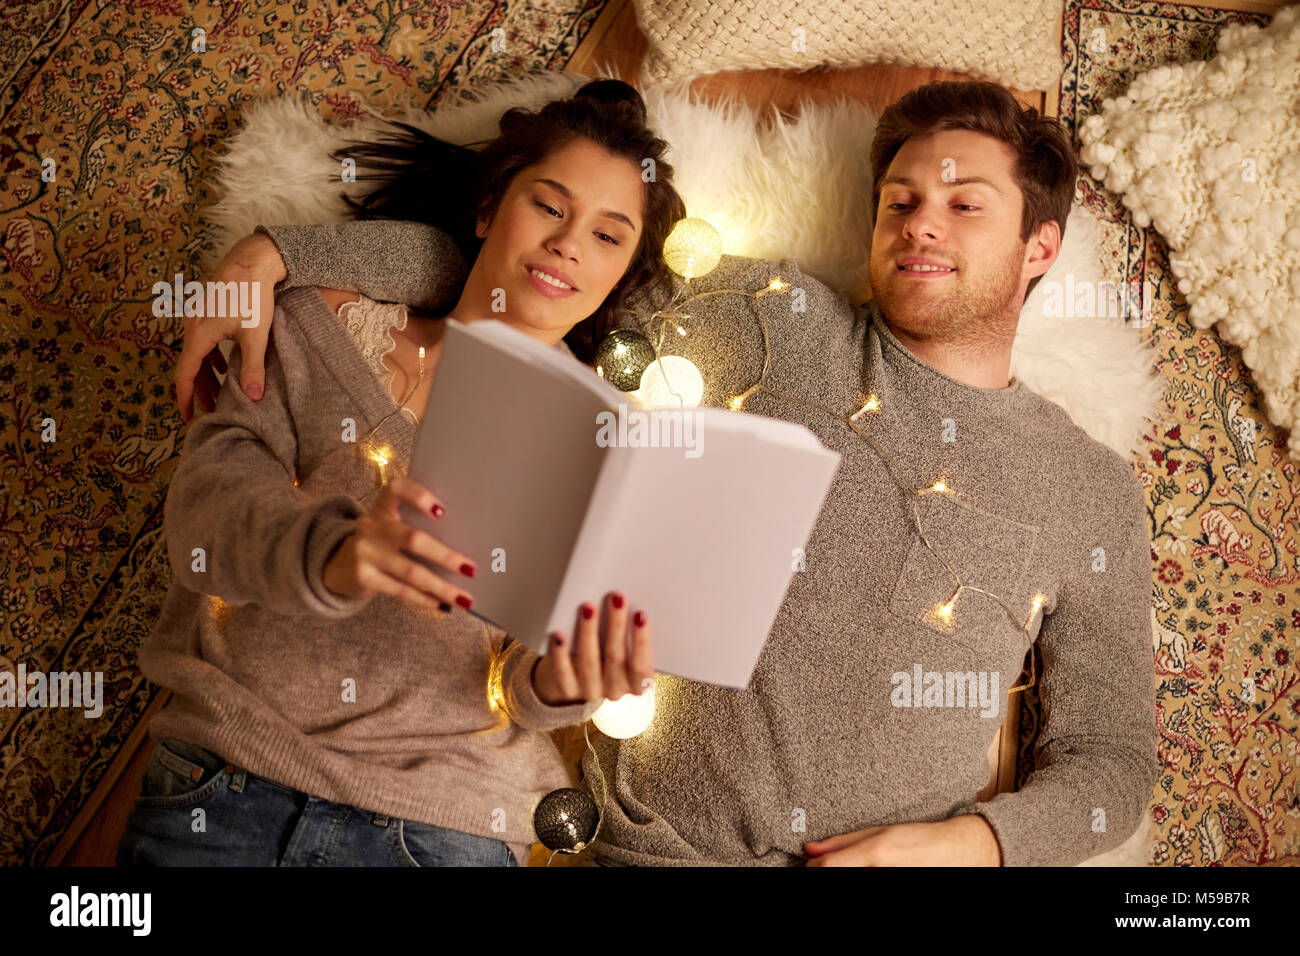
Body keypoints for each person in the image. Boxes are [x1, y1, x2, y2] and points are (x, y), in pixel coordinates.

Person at [178, 80, 1159, 867]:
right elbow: (534, 269)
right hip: (646, 848)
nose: (920, 224)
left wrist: (970, 846)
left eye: (962, 204)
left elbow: (1110, 762)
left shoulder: (1087, 487)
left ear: (1039, 246)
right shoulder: (769, 312)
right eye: (900, 200)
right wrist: (283, 252)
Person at [120, 79, 687, 867]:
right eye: (549, 207)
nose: (568, 244)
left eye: (606, 236)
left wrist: (564, 680)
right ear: (488, 210)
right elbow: (203, 518)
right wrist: (335, 553)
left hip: (446, 825)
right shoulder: (315, 327)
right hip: (228, 785)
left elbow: (524, 687)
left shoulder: (604, 448)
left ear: (619, 275)